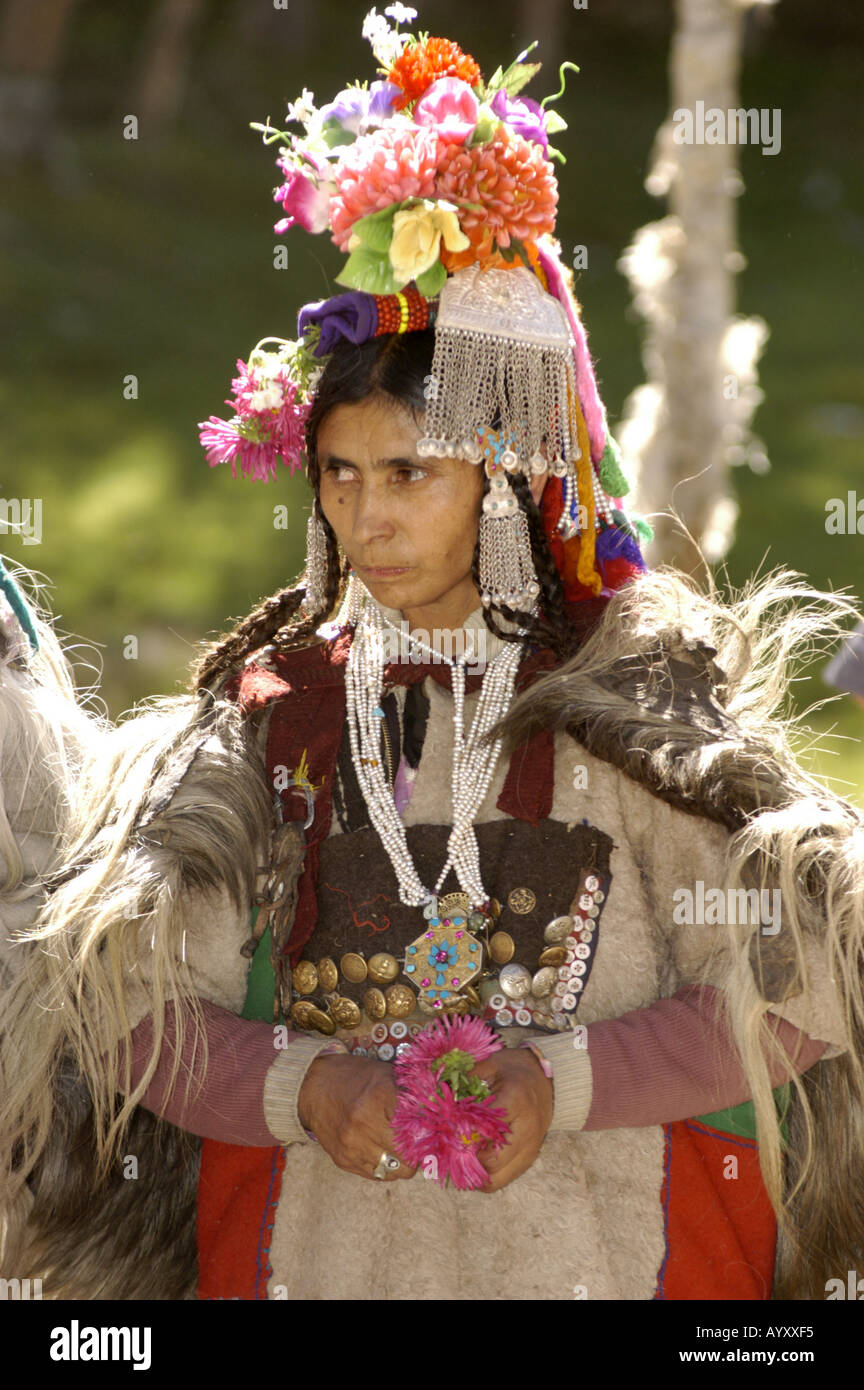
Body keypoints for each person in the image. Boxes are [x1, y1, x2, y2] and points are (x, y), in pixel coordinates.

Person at [3, 9, 864, 1303]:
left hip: (617, 1262)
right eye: (342, 475)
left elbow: (807, 981)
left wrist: (559, 1080)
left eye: (415, 472)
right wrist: (310, 1088)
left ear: (506, 476)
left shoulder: (626, 717)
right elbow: (133, 1020)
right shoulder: (273, 724)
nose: (373, 515)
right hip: (312, 1262)